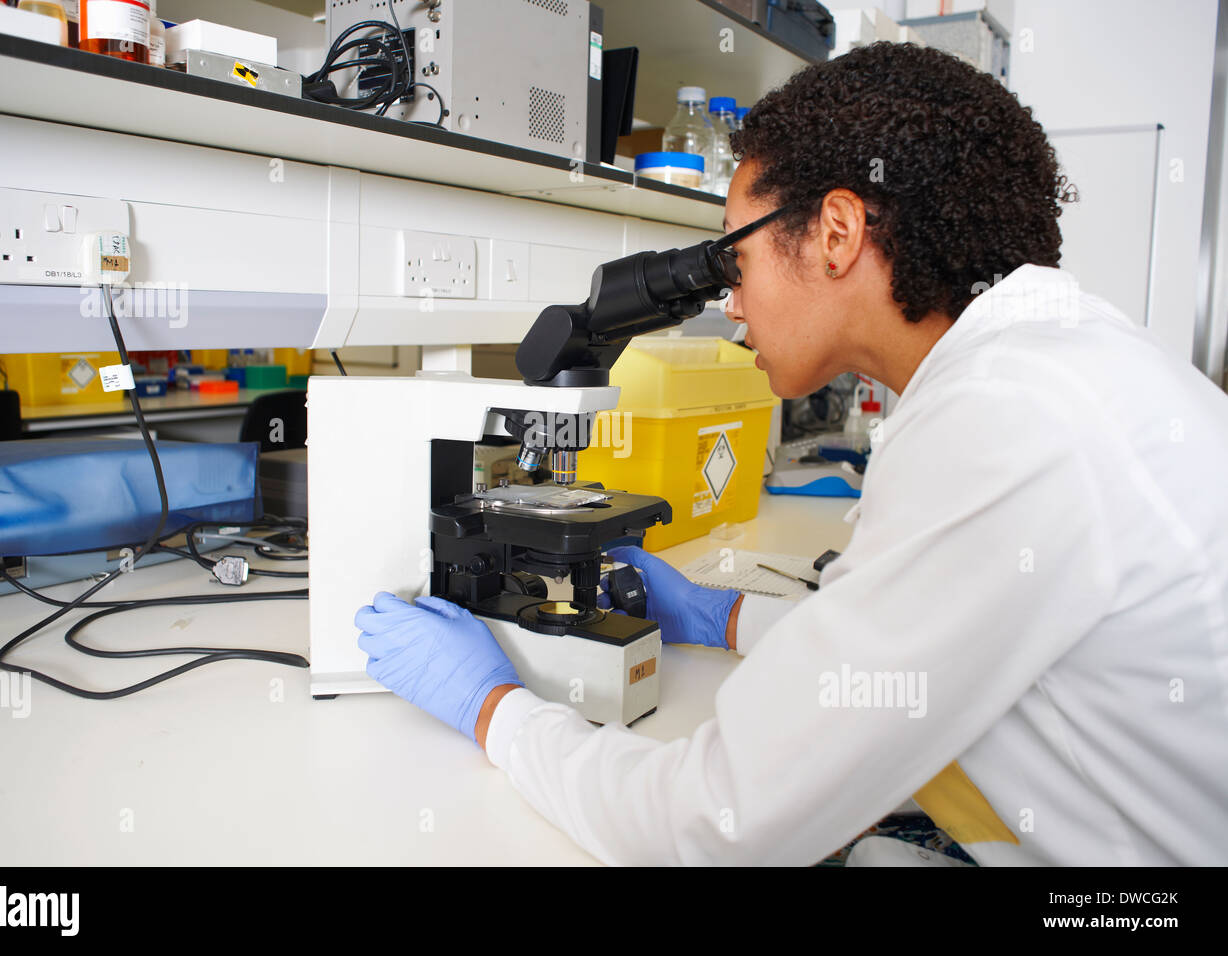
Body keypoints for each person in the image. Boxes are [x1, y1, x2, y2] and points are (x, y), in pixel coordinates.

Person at [355, 42, 1228, 865]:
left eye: (736, 260)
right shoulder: (1056, 360)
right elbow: (914, 652)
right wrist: (724, 617)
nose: (731, 305)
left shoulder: (1006, 422)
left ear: (838, 232)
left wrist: (493, 711)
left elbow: (715, 825)